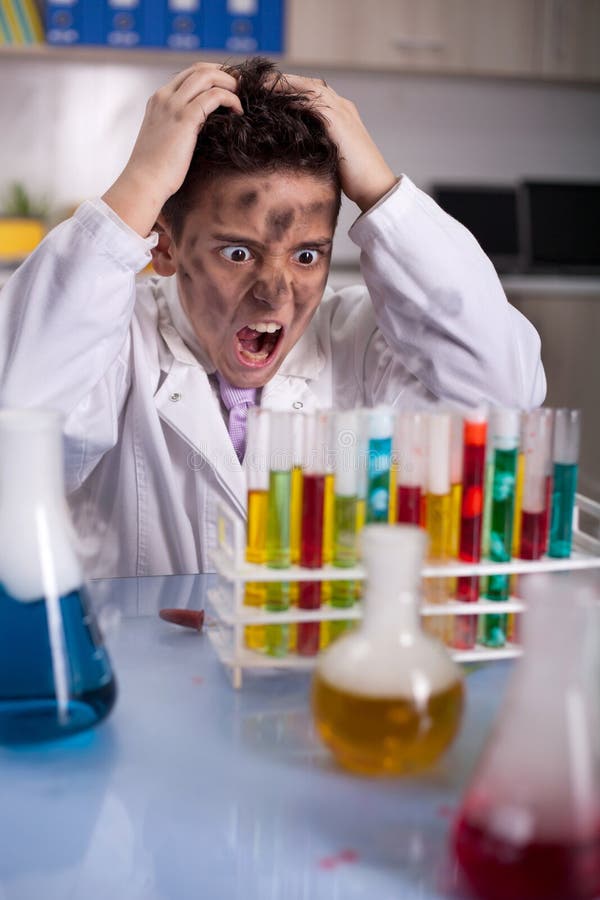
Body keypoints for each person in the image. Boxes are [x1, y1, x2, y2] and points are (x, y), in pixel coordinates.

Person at [0, 57, 545, 579]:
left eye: (307, 255)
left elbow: (503, 394)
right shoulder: (115, 342)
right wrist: (139, 185)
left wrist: (381, 192)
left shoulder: (359, 343)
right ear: (163, 248)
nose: (275, 293)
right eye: (238, 253)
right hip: (146, 669)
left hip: (311, 670)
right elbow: (17, 428)